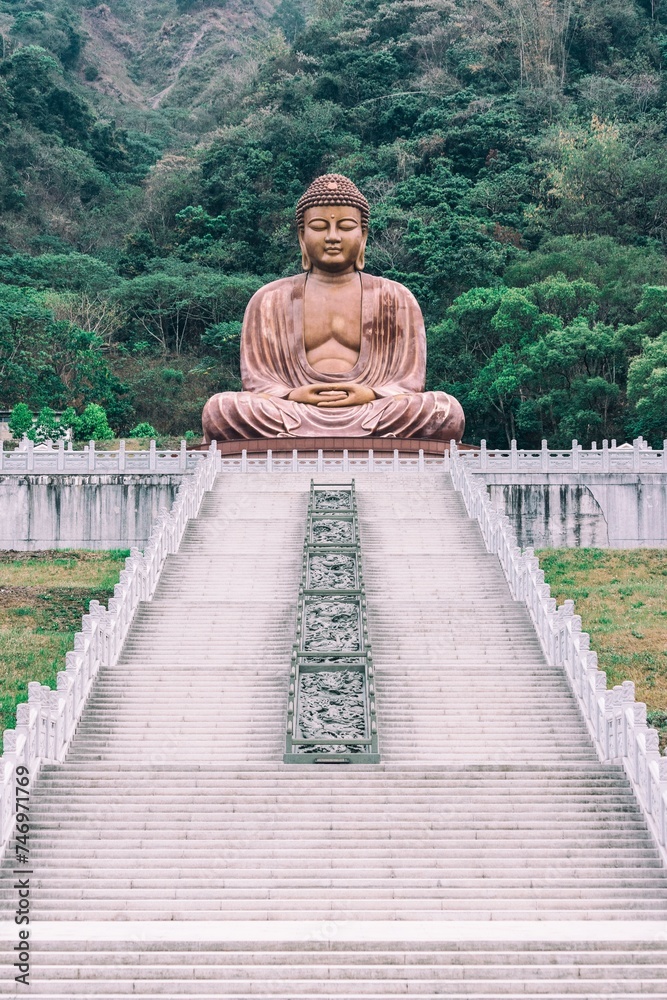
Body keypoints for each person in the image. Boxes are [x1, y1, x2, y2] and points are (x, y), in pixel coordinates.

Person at [202, 174, 465, 442]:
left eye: (346, 226)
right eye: (318, 227)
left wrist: (372, 394)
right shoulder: (269, 299)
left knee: (444, 409)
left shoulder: (395, 298)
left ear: (363, 236)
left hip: (372, 410)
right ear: (302, 237)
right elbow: (257, 383)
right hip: (293, 409)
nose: (332, 237)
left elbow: (409, 384)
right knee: (220, 409)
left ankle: (314, 436)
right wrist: (292, 394)